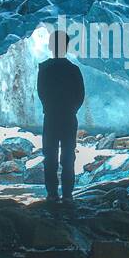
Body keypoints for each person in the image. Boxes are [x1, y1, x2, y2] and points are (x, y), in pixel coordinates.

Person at [37, 29, 84, 204]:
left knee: (49, 155)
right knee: (68, 156)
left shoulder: (44, 68)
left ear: (51, 46)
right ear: (67, 46)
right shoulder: (73, 69)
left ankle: (52, 193)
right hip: (68, 117)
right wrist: (71, 110)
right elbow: (80, 95)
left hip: (50, 117)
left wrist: (50, 108)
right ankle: (67, 194)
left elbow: (41, 92)